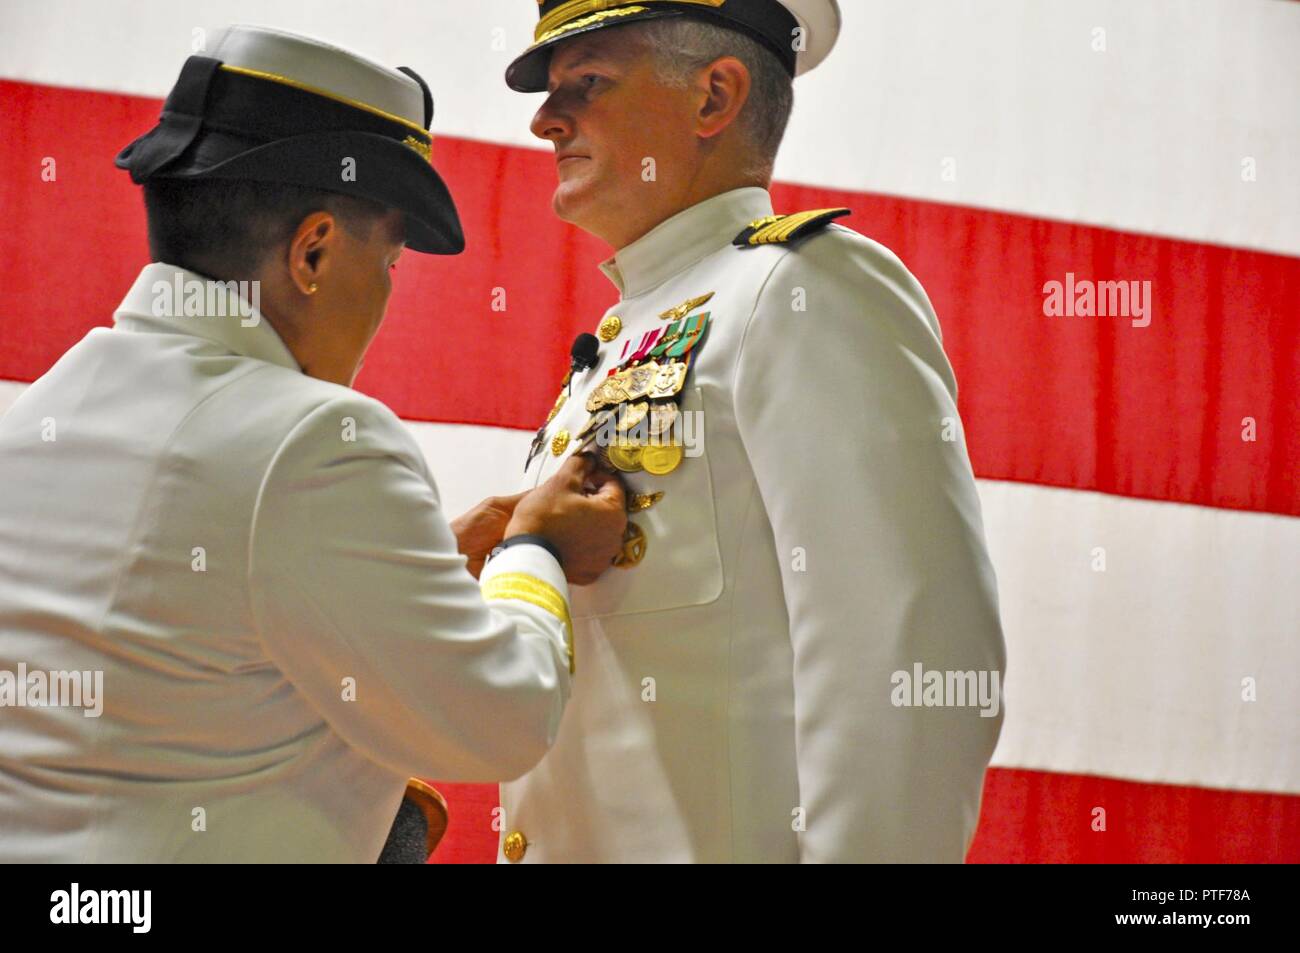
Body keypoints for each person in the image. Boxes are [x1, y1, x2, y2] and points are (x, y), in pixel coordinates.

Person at [0, 24, 626, 863]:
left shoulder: (47, 409)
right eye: (392, 263)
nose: (386, 297)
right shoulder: (314, 439)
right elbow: (500, 720)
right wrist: (533, 551)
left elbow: (203, 632)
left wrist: (432, 557)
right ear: (314, 251)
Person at [496, 1, 1007, 862]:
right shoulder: (623, 338)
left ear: (714, 98)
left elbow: (909, 667)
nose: (547, 119)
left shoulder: (799, 293)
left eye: (587, 84)